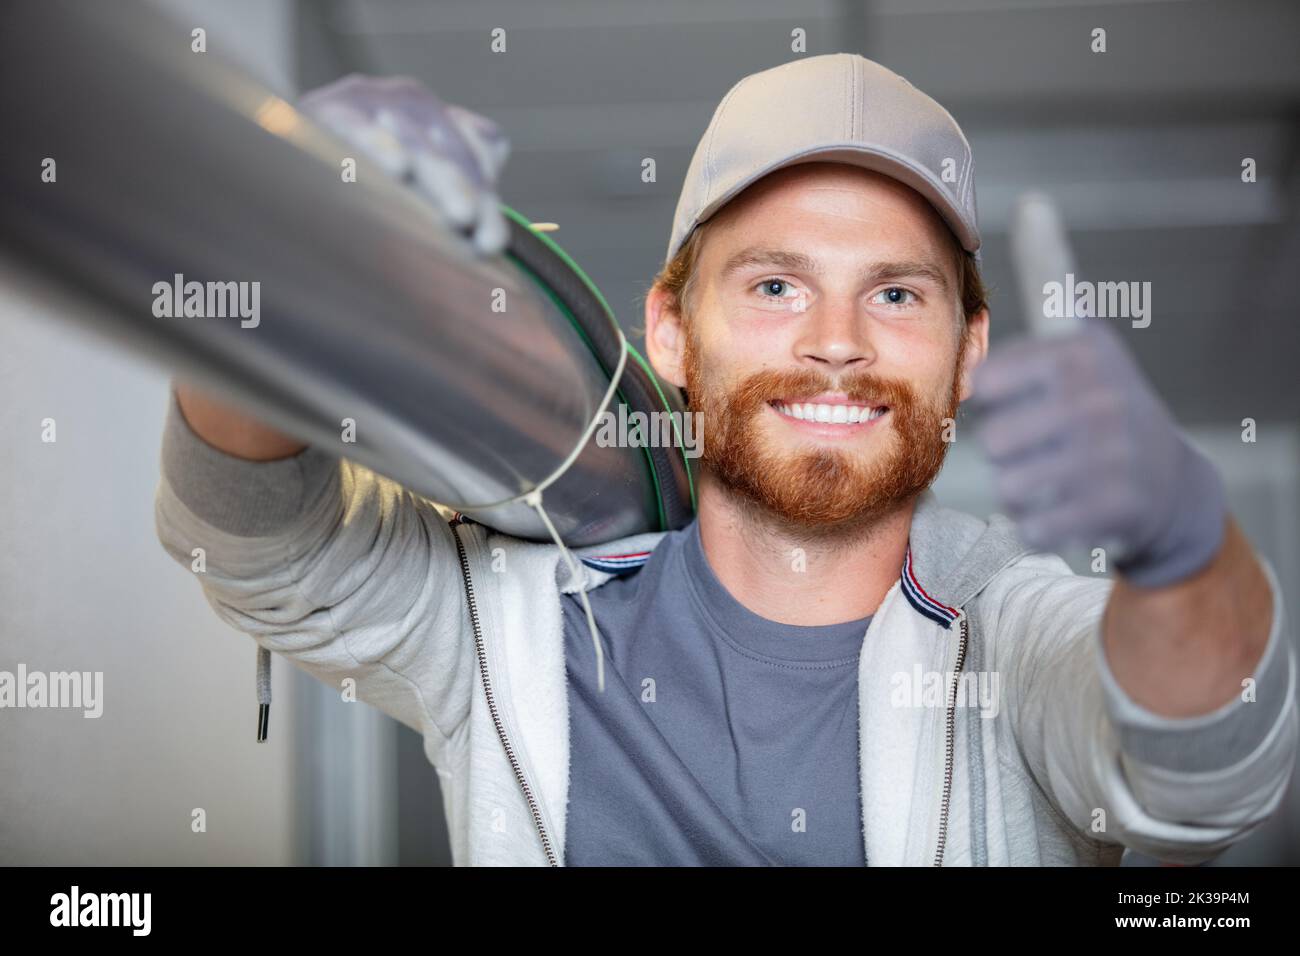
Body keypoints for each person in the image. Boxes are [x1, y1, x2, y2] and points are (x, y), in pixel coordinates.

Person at [154, 54, 1297, 866]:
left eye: (895, 293)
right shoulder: (518, 624)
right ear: (669, 330)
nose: (836, 341)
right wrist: (282, 253)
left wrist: (1188, 545)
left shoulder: (1014, 636)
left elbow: (1205, 779)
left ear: (967, 353)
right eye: (773, 284)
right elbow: (261, 540)